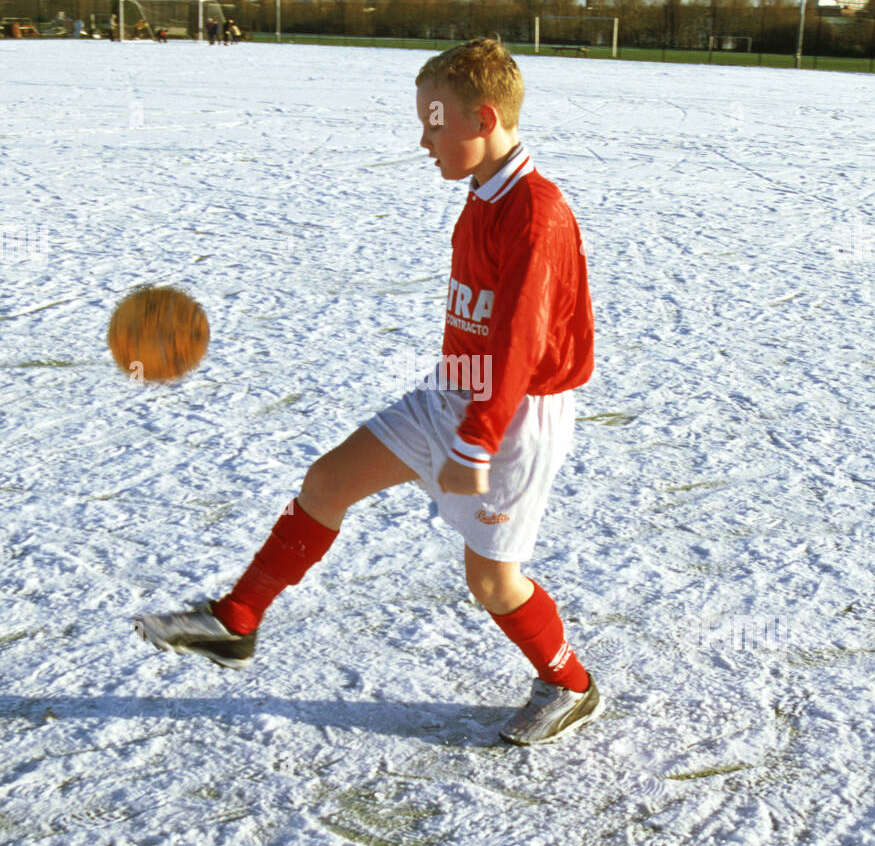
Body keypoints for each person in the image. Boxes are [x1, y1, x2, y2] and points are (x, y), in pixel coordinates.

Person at [135, 38, 602, 746]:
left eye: (434, 124)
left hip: (512, 418)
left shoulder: (533, 213)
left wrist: (476, 441)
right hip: (455, 391)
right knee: (325, 483)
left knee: (491, 584)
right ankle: (236, 622)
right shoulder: (484, 193)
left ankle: (568, 682)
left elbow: (521, 343)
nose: (423, 141)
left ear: (481, 119)